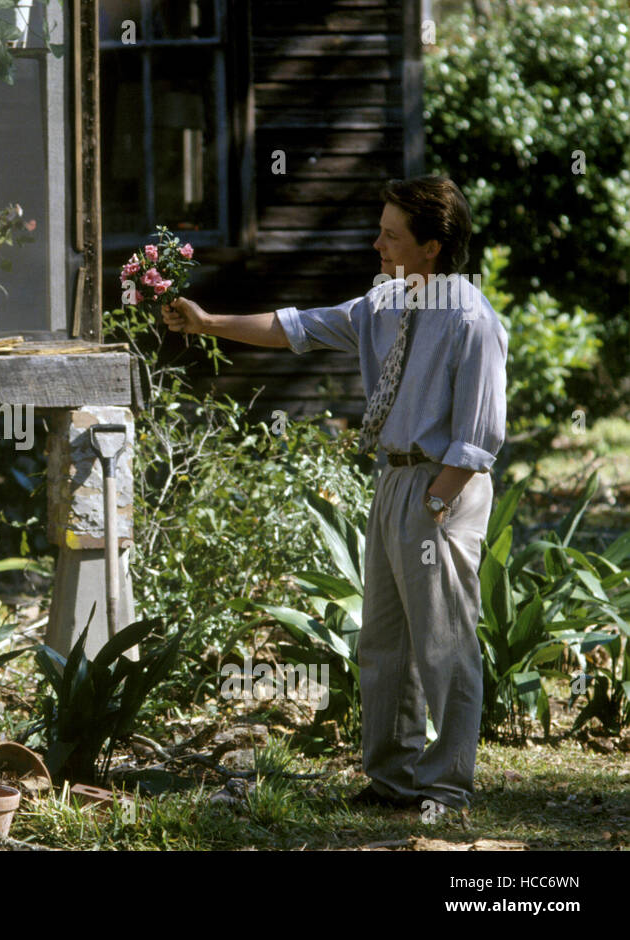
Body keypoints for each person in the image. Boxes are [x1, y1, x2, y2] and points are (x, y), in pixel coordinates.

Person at [162, 176, 507, 818]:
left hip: (441, 485)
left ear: (432, 246)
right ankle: (392, 779)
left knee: (444, 642)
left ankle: (447, 786)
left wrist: (437, 499)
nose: (377, 243)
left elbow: (481, 433)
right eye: (380, 229)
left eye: (391, 235)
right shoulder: (383, 305)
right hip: (392, 480)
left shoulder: (470, 319)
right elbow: (296, 328)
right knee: (383, 640)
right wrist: (207, 322)